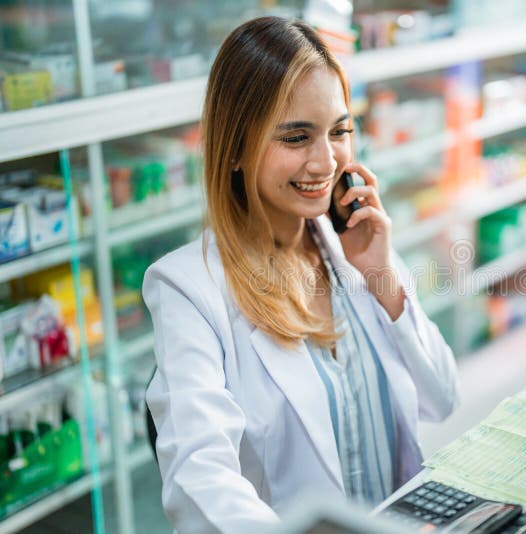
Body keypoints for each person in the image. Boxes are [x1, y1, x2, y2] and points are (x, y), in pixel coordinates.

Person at [143, 16, 460, 532]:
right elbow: (197, 480)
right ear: (236, 148)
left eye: (339, 131)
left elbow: (442, 399)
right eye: (296, 137)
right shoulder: (187, 289)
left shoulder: (353, 245)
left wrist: (381, 274)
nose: (325, 162)